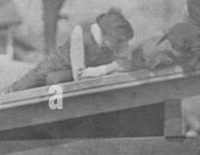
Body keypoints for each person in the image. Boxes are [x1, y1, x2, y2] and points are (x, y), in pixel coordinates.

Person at [7, 8, 135, 92]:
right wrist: (109, 68)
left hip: (78, 72)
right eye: (118, 42)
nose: (122, 45)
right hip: (57, 64)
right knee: (21, 88)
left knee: (55, 81)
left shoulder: (118, 38)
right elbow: (79, 75)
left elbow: (126, 64)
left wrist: (113, 67)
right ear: (106, 35)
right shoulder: (81, 32)